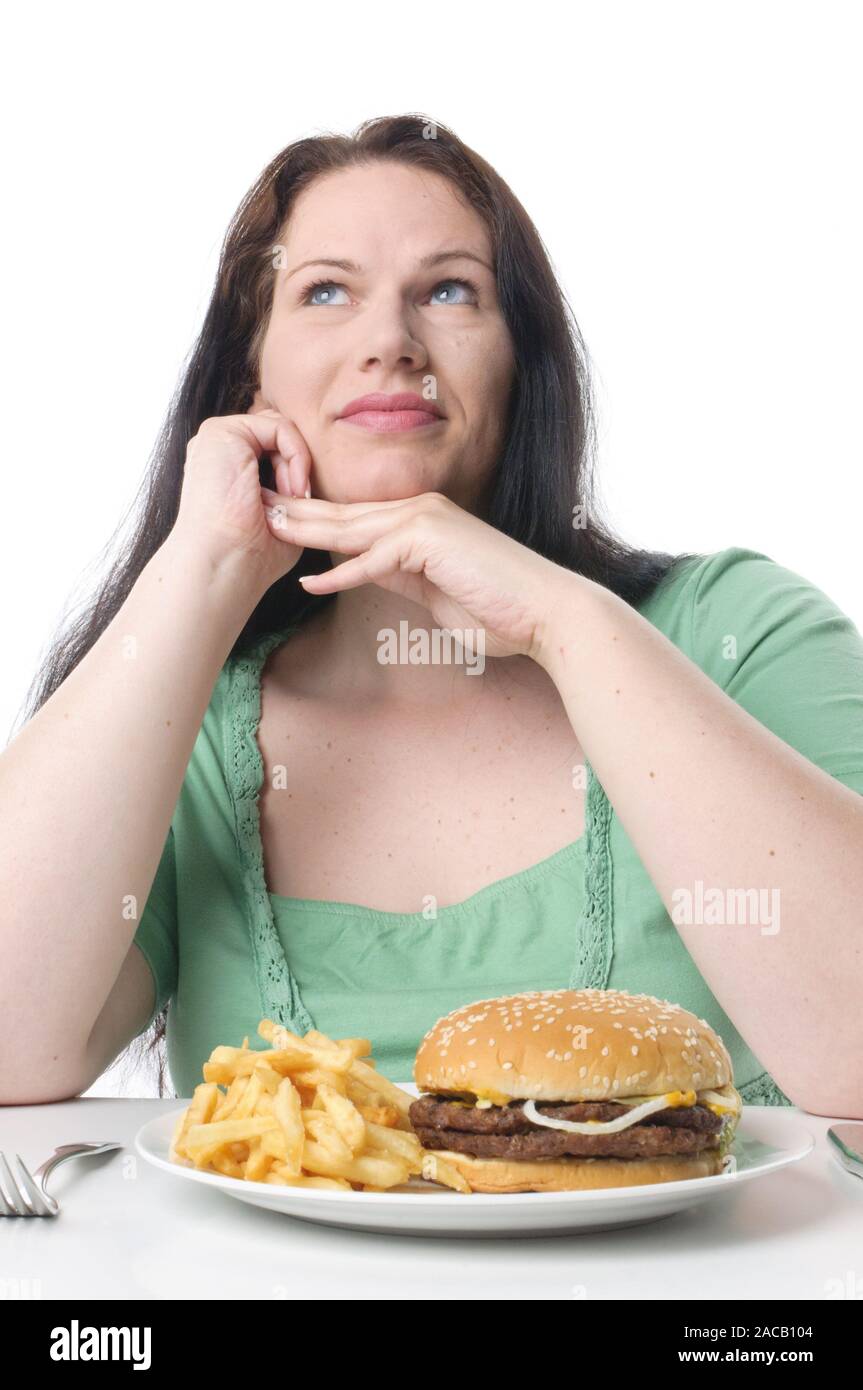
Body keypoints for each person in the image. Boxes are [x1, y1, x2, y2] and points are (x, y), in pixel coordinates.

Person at [3, 115, 862, 1114]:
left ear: (520, 364)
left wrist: (559, 622)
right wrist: (200, 566)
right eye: (325, 291)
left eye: (447, 290)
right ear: (251, 377)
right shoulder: (185, 730)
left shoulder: (734, 633)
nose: (388, 342)